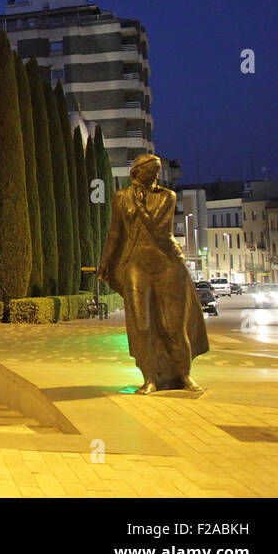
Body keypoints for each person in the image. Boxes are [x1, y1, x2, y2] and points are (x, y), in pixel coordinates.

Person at [97, 152, 208, 393]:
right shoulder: (121, 197)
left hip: (167, 264)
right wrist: (105, 261)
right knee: (141, 325)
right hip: (136, 265)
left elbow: (158, 228)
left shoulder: (167, 196)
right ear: (137, 172)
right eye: (151, 169)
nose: (156, 174)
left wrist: (138, 204)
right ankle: (150, 378)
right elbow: (115, 233)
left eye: (157, 169)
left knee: (174, 326)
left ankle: (184, 375)